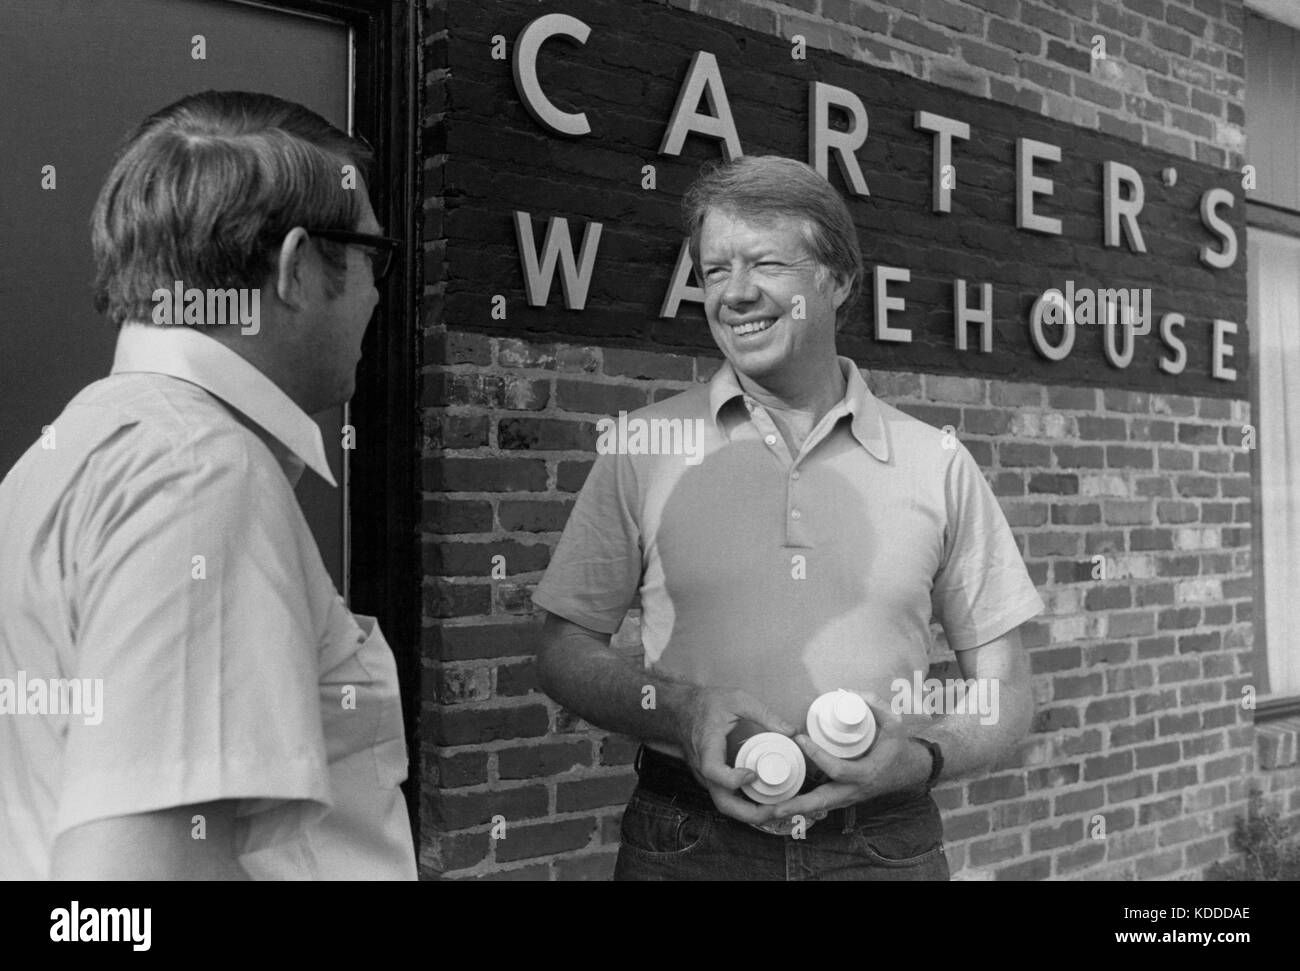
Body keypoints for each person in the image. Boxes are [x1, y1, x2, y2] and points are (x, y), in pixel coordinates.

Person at [533, 155, 1044, 881]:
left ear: (837, 280)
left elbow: (1007, 688)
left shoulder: (938, 462)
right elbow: (561, 650)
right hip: (688, 845)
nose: (735, 293)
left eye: (765, 263)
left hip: (882, 848)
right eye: (713, 271)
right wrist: (678, 708)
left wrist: (920, 757)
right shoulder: (642, 448)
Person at [0, 91, 414, 879]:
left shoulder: (68, 451)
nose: (376, 291)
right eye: (373, 257)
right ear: (296, 266)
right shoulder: (201, 474)